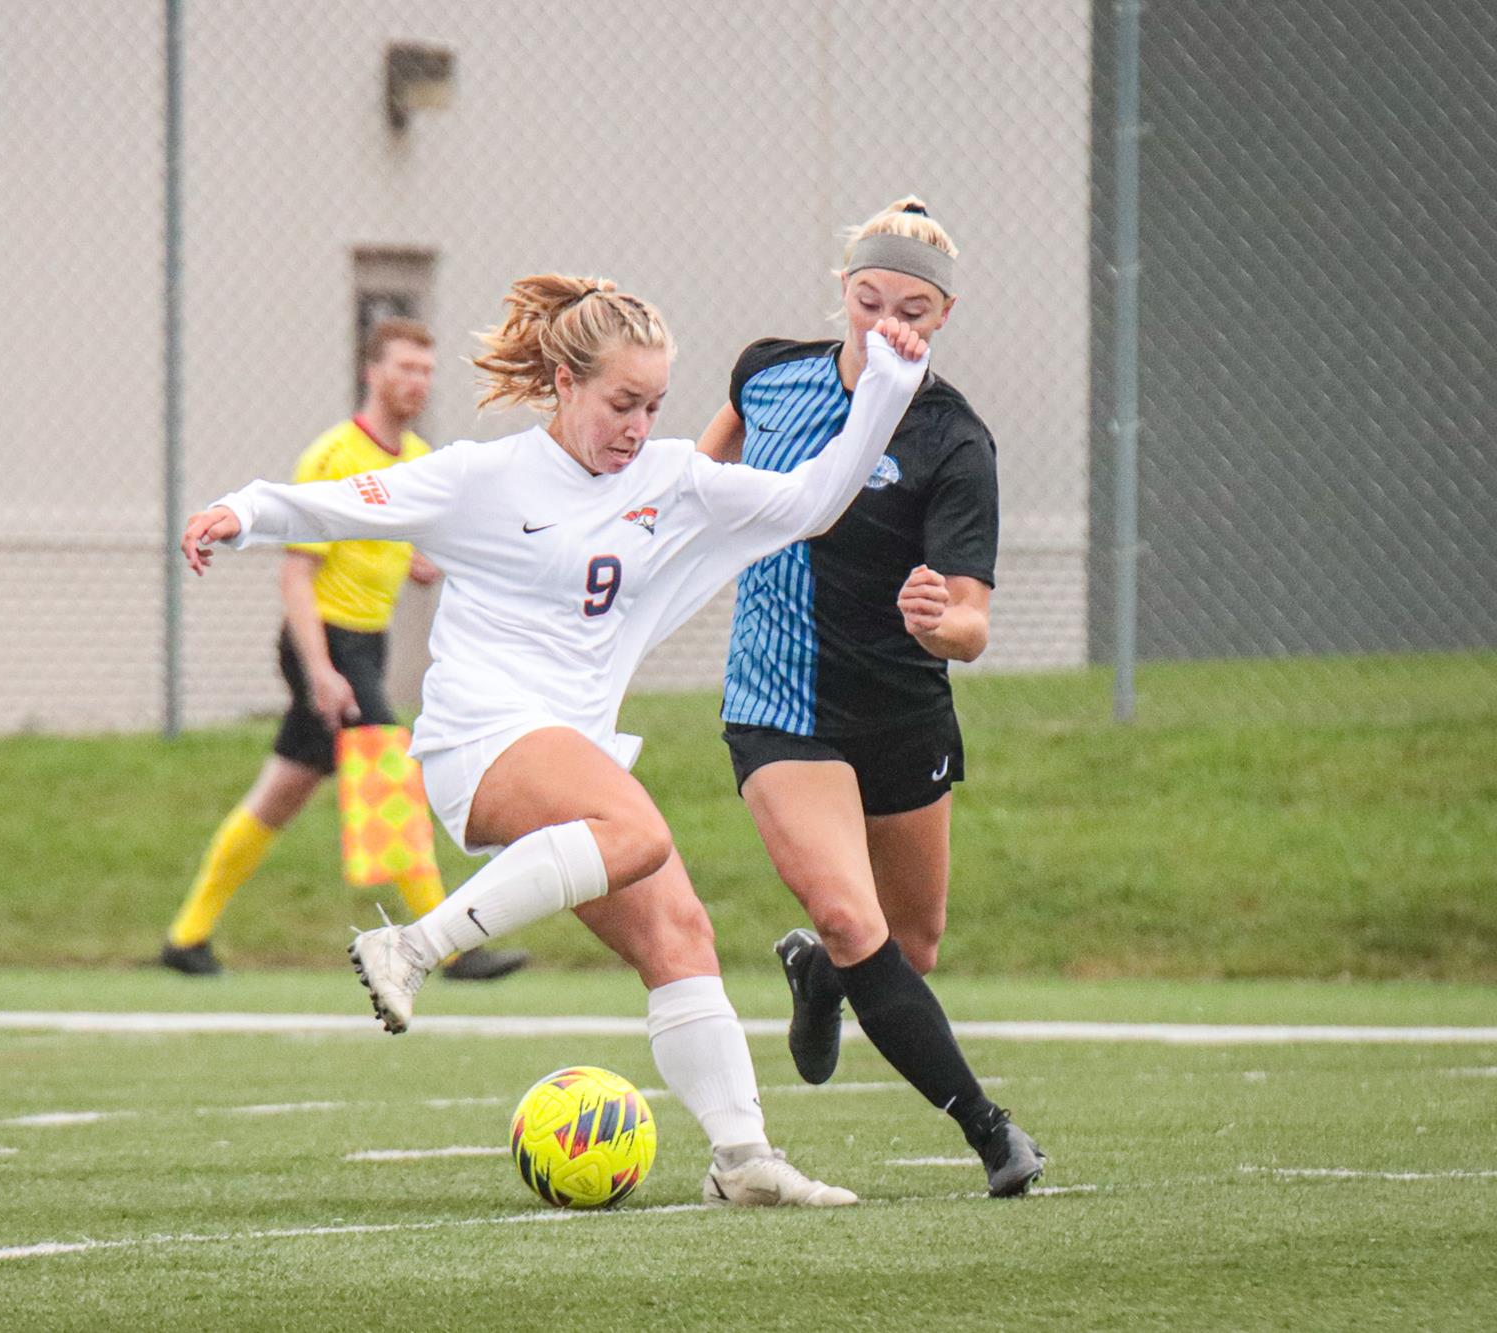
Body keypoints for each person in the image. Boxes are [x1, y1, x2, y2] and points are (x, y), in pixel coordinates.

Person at [183, 273, 933, 1207]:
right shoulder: (483, 476)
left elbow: (814, 502)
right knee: (641, 832)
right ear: (566, 383)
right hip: (480, 738)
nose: (637, 423)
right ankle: (412, 948)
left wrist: (886, 393)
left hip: (574, 753)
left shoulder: (670, 478)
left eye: (654, 404)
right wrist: (245, 512)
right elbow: (349, 499)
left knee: (681, 933)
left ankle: (743, 1160)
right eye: (622, 402)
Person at [695, 196, 1046, 1197]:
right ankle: (991, 1134)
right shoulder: (770, 376)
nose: (884, 319)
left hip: (898, 708)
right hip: (778, 701)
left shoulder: (951, 439)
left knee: (911, 941)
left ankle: (819, 973)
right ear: (842, 293)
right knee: (857, 918)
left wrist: (941, 620)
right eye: (867, 296)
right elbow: (691, 474)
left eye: (911, 307)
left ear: (939, 319)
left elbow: (971, 622)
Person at [160, 317, 527, 982]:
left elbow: (395, 531)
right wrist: (320, 671)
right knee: (390, 777)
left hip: (368, 643)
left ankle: (186, 937)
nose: (416, 381)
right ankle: (451, 948)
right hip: (325, 643)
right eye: (404, 367)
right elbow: (295, 574)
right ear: (372, 372)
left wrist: (416, 559)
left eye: (425, 369)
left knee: (280, 793)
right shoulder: (332, 454)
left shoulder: (418, 454)